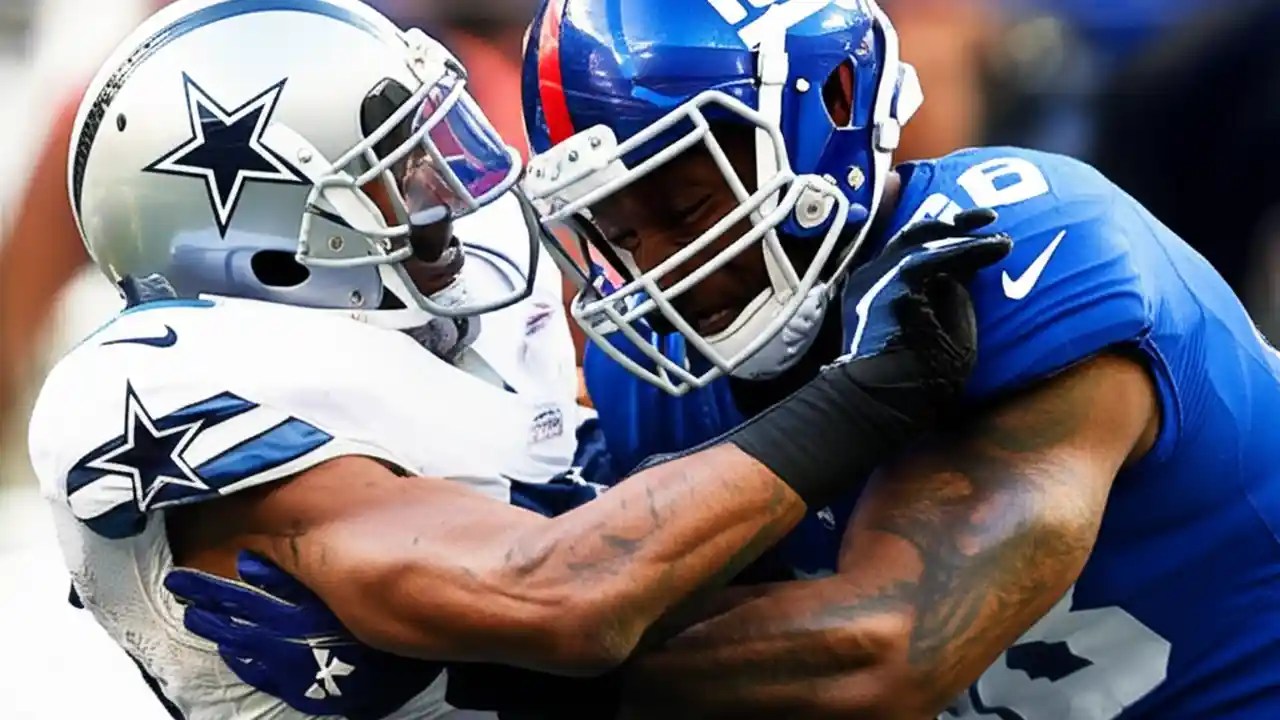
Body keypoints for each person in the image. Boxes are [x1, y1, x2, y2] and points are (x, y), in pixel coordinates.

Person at [169, 1, 1280, 718]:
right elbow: (641, 615)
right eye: (617, 221)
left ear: (828, 110)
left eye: (684, 193)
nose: (660, 260)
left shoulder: (1024, 245)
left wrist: (496, 681)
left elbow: (885, 653)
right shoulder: (646, 363)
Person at [30, 1, 1005, 718]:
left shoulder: (464, 299)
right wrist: (858, 400)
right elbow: (563, 596)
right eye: (389, 171)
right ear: (269, 238)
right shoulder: (169, 379)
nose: (437, 187)